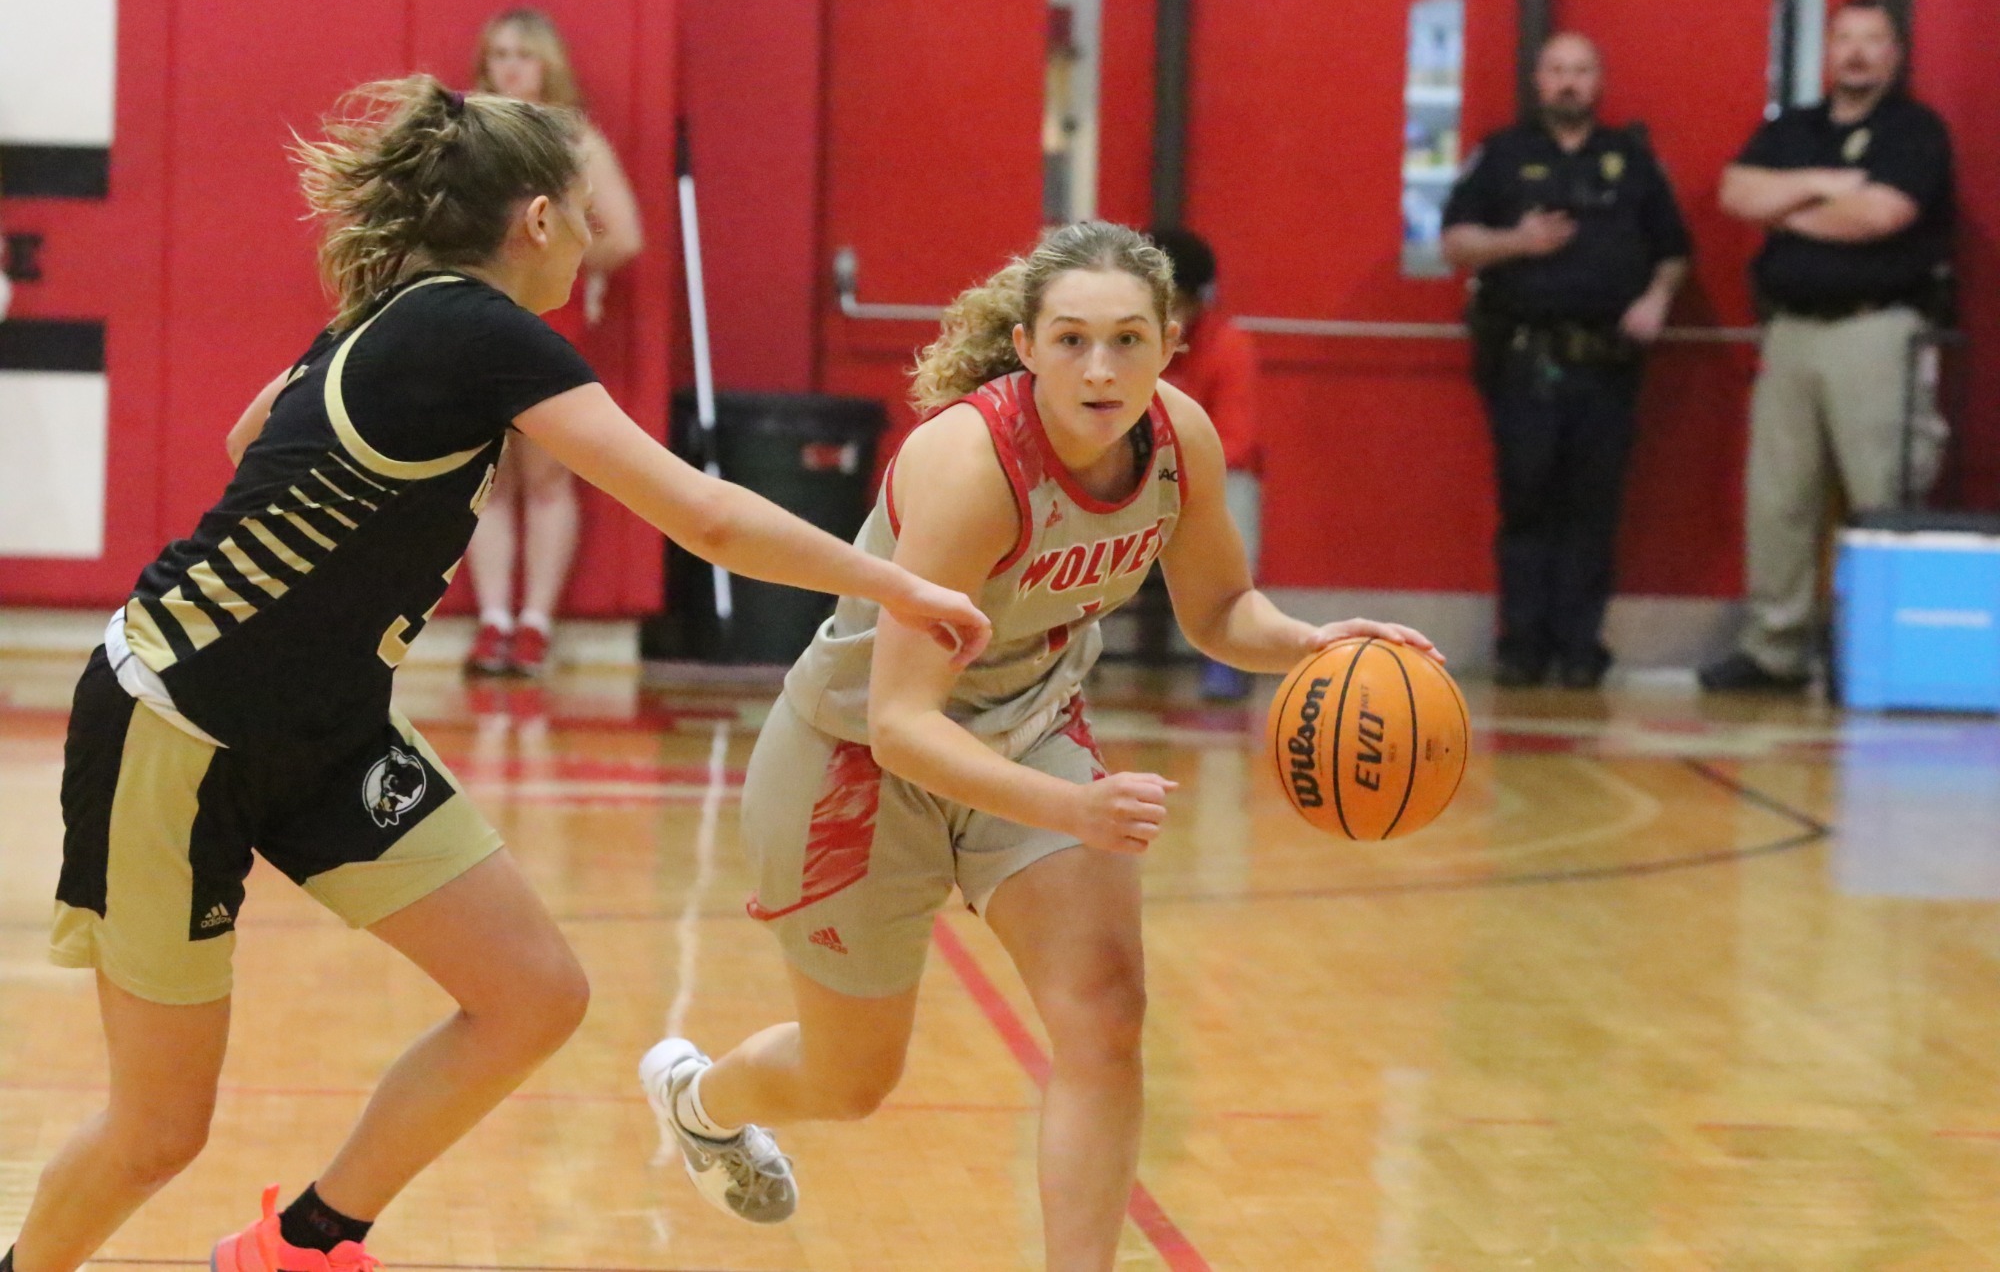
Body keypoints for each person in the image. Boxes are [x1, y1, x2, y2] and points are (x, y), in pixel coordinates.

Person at [4, 75, 987, 1272]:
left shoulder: (402, 318)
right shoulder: (475, 331)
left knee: (531, 993)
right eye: (582, 211)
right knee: (158, 1130)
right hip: (179, 721)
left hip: (325, 729)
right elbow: (706, 517)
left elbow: (248, 434)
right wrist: (898, 585)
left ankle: (298, 1248)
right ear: (536, 218)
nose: (588, 236)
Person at [636, 221, 1439, 1271]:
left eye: (1127, 339)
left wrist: (1309, 644)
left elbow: (1217, 608)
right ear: (1025, 346)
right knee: (851, 1080)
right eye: (1071, 340)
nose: (1100, 368)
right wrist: (1072, 810)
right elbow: (902, 723)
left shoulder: (1178, 440)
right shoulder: (972, 467)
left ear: (1170, 343)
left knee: (1105, 1020)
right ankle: (701, 1099)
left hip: (1027, 722)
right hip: (856, 763)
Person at [1699, 0, 1955, 692]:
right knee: (1778, 500)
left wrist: (1786, 210)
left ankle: (1876, 650)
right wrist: (1820, 185)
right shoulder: (1793, 129)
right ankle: (1775, 649)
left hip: (1875, 333)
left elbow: (1878, 216)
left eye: (1873, 40)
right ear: (1827, 50)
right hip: (1790, 334)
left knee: (1882, 496)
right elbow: (1737, 193)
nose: (1857, 53)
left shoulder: (1914, 131)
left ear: (1894, 55)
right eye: (1845, 39)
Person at [1442, 32, 1690, 689]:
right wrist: (1518, 242)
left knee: (1593, 508)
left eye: (1581, 70)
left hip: (1607, 363)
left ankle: (1581, 647)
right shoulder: (1502, 154)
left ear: (1598, 81)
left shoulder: (1631, 159)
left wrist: (1656, 300)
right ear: (1538, 80)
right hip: (1525, 361)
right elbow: (1456, 242)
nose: (1568, 82)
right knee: (1526, 503)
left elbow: (1673, 249)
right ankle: (1522, 645)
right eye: (1556, 70)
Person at [462, 8, 644, 679]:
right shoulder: (471, 133)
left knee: (546, 473)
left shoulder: (574, 140)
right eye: (499, 53)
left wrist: (555, 255)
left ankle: (535, 622)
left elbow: (624, 235)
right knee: (483, 474)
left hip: (546, 319)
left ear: (548, 65)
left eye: (524, 54)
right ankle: (493, 620)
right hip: (478, 314)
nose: (510, 67)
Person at [1147, 227, 1265, 701]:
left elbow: (1236, 441)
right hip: (1128, 477)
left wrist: (1172, 472)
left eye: (1176, 303)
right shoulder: (1121, 342)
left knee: (1236, 491)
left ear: (1198, 300)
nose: (1168, 315)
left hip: (1197, 480)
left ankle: (1228, 650)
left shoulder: (1229, 345)